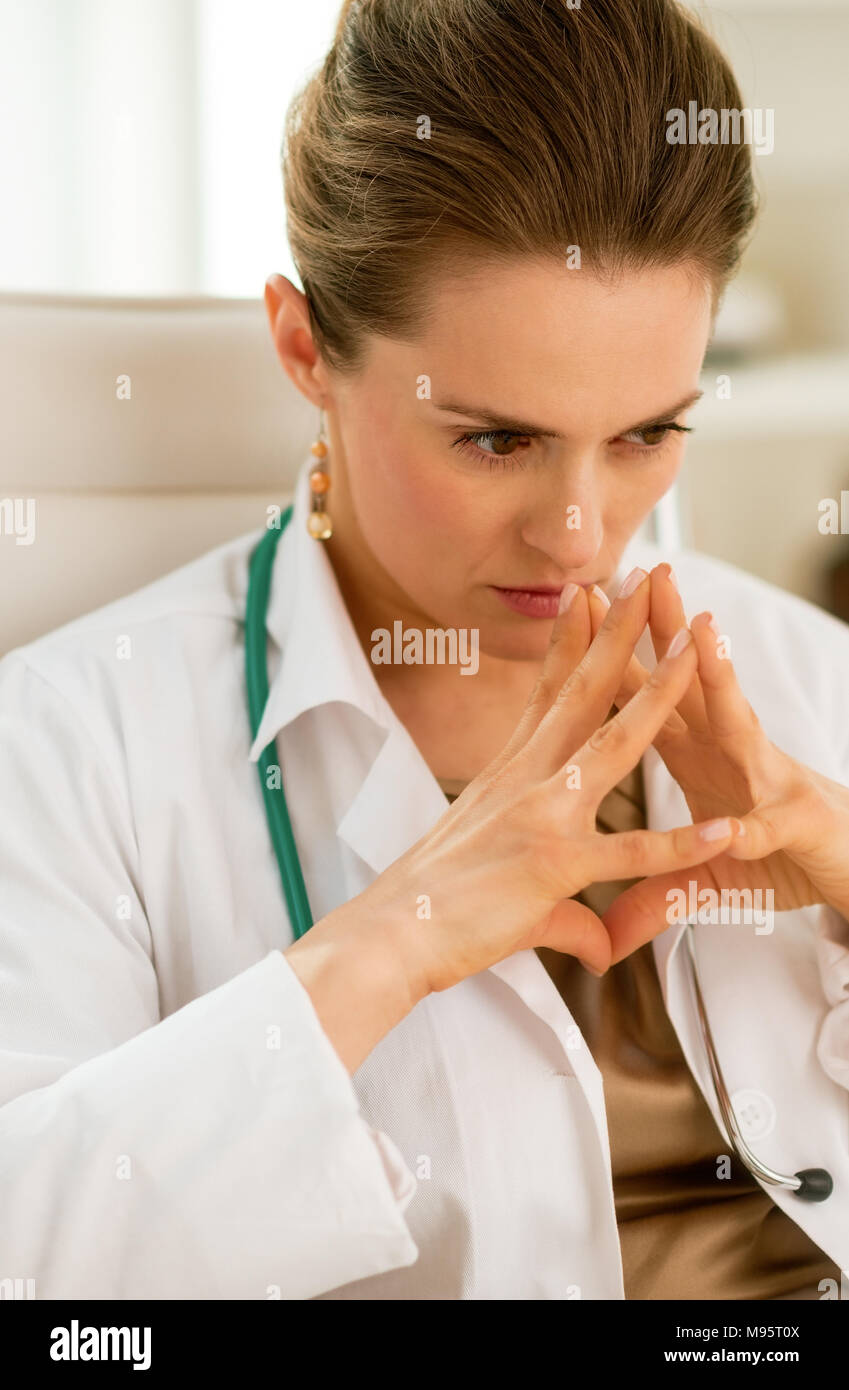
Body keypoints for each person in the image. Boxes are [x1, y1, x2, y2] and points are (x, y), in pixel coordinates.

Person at [1, 0, 848, 1302]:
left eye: (644, 432)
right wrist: (389, 940)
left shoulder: (803, 674)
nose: (580, 532)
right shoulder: (69, 741)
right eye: (495, 439)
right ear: (303, 348)